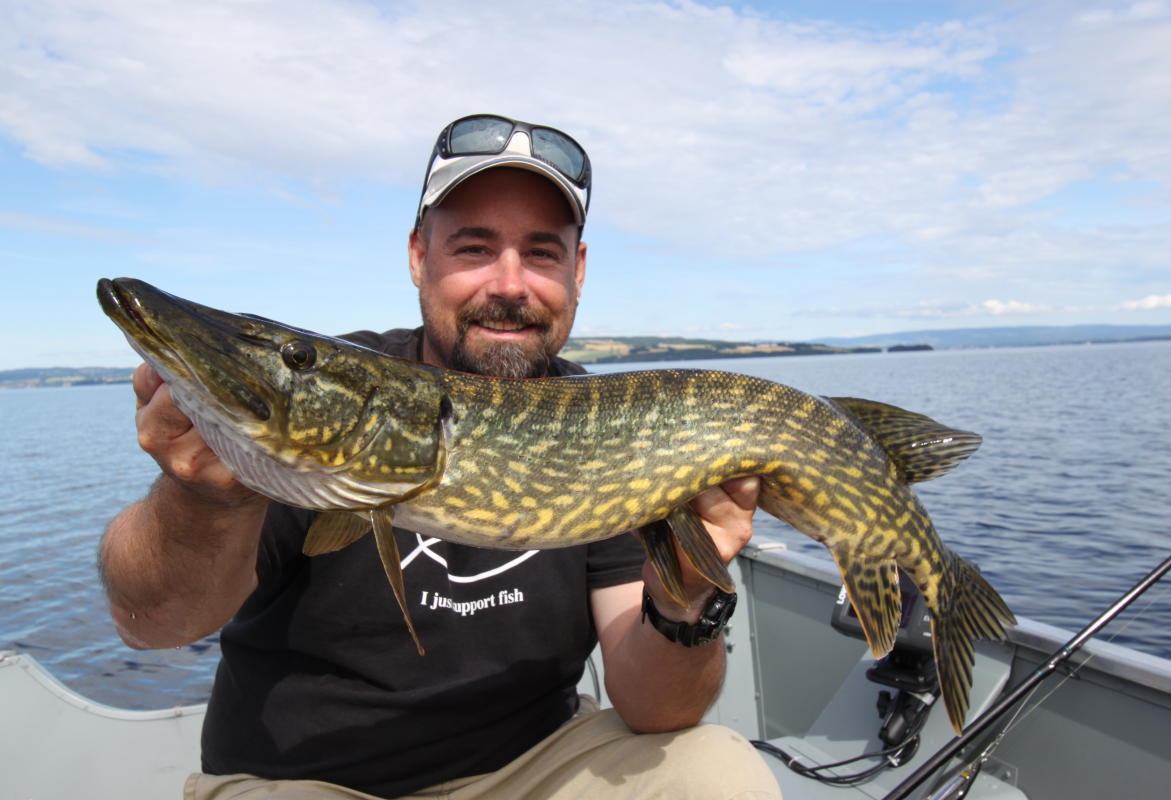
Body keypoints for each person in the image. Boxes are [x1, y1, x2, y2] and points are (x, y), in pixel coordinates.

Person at [99, 114, 782, 800]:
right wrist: (203, 498)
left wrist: (682, 597)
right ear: (419, 256)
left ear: (577, 272)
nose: (509, 285)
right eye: (475, 248)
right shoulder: (321, 415)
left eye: (542, 252)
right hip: (303, 780)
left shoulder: (615, 426)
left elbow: (657, 710)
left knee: (718, 775)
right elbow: (154, 625)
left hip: (529, 773)